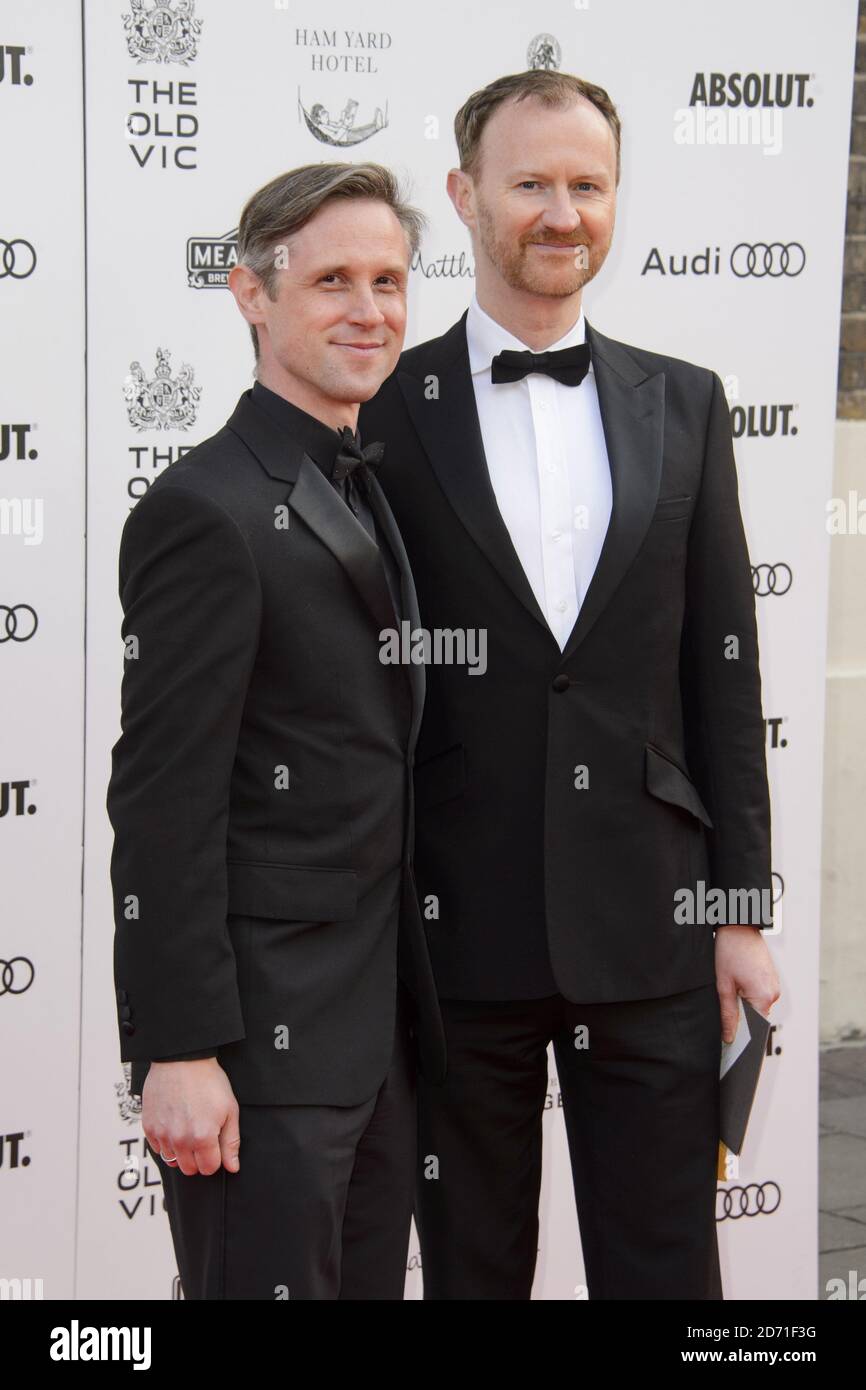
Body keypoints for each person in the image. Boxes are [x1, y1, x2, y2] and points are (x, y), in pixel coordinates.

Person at [359, 70, 780, 1300]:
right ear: (463, 196)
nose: (560, 212)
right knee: (471, 1269)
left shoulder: (685, 404)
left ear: (614, 201)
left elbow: (722, 664)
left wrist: (738, 910)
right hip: (449, 926)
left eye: (586, 185)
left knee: (663, 1271)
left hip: (649, 920)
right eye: (529, 183)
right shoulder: (382, 405)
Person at [107, 162, 444, 1300]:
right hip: (258, 1053)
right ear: (252, 295)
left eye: (389, 279)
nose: (369, 309)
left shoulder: (362, 479)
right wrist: (180, 1047)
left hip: (375, 1039)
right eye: (332, 280)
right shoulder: (203, 510)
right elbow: (162, 799)